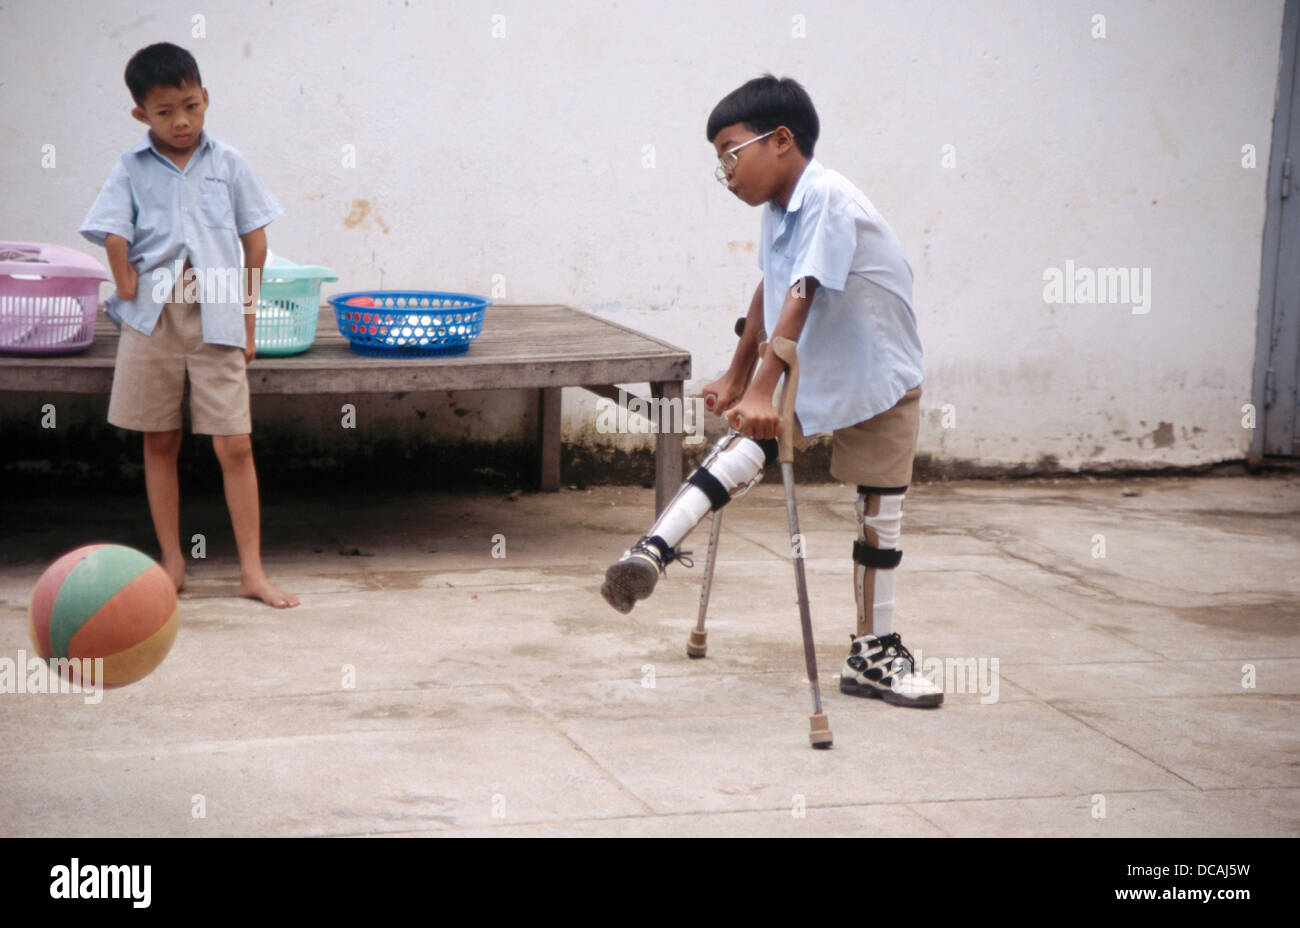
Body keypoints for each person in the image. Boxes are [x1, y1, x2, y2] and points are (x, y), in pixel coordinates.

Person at [602, 74, 939, 707]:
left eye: (730, 153)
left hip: (881, 372)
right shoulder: (779, 208)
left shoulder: (829, 197)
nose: (725, 173)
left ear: (781, 140)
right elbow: (771, 284)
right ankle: (651, 551)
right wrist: (738, 376)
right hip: (819, 363)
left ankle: (874, 654)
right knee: (748, 442)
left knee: (880, 516)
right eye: (719, 160)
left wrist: (762, 388)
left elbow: (802, 291)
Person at [80, 42, 298, 608]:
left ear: (206, 98)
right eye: (164, 111)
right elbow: (112, 231)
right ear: (141, 114)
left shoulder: (229, 163)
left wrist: (248, 322)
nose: (181, 121)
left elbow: (255, 242)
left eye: (191, 106)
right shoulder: (130, 168)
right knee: (159, 439)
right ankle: (172, 562)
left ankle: (252, 572)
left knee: (235, 444)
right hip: (151, 319)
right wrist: (125, 283)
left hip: (218, 312)